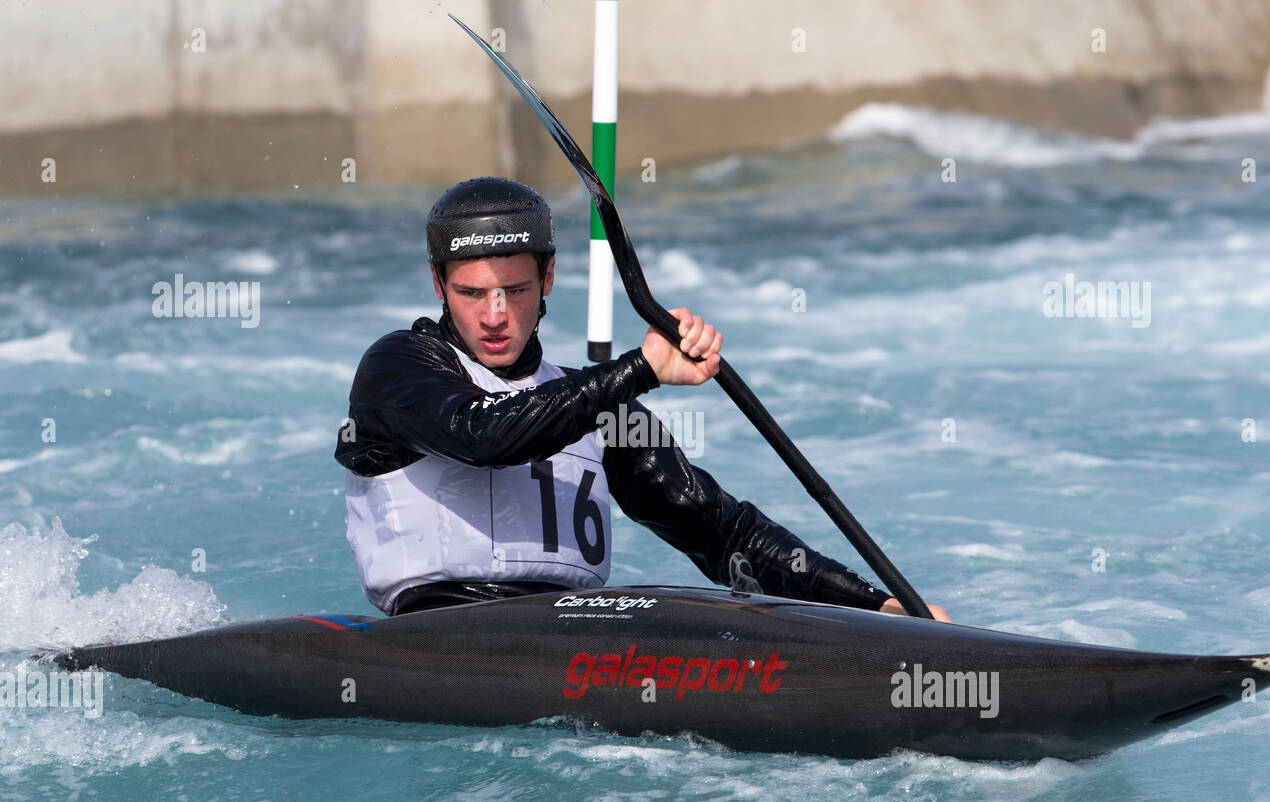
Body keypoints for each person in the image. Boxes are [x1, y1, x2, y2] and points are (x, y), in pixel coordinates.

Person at [334, 176, 950, 622]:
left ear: (548, 279)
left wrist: (875, 605)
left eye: (515, 290)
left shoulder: (600, 408)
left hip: (572, 629)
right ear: (438, 283)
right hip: (433, 633)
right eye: (471, 293)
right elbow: (483, 434)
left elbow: (719, 529)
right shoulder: (397, 368)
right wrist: (642, 368)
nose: (495, 316)